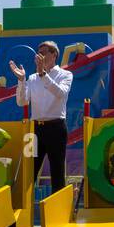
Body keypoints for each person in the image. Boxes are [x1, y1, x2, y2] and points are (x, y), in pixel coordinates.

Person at [12, 41, 74, 194]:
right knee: (28, 172)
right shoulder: (32, 78)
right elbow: (22, 102)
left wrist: (43, 74)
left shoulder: (65, 74)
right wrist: (21, 80)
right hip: (34, 130)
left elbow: (61, 93)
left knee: (57, 173)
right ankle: (20, 213)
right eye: (39, 53)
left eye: (45, 52)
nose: (40, 56)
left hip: (56, 127)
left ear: (54, 55)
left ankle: (57, 214)